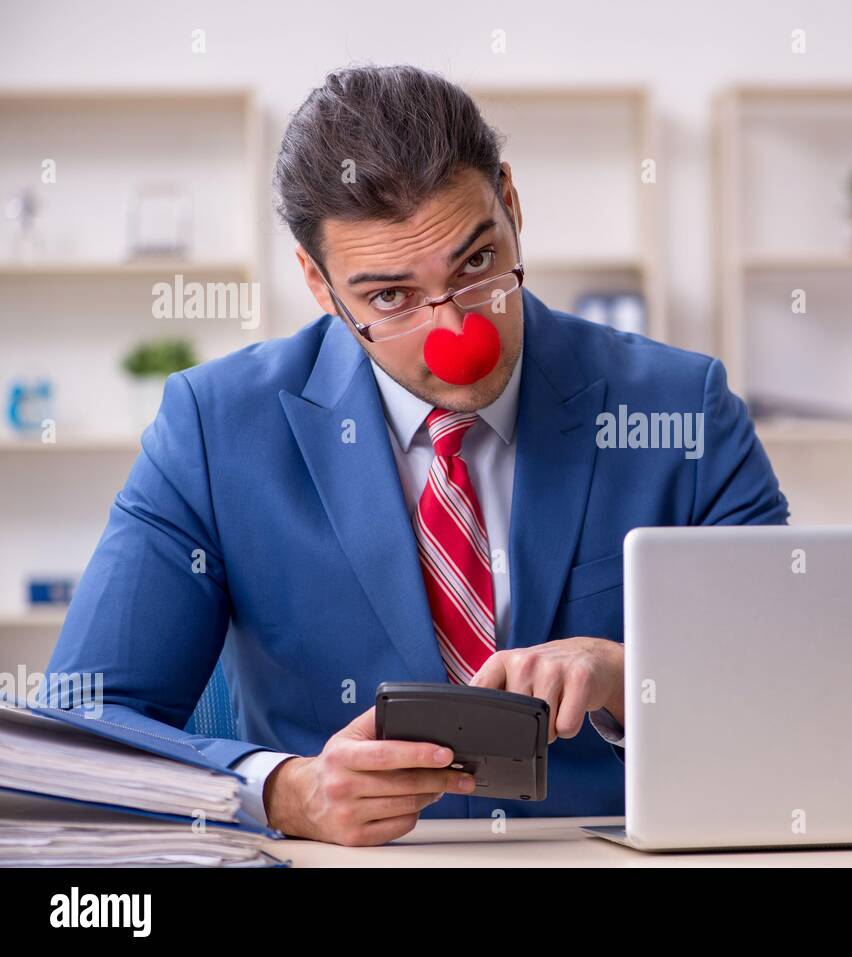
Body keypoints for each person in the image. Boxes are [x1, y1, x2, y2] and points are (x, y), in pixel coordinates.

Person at [45, 65, 788, 846]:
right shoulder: (215, 427)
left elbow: (795, 684)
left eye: (476, 264)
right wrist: (287, 792)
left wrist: (629, 675)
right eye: (391, 297)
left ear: (511, 203)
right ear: (320, 284)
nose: (457, 333)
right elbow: (78, 729)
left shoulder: (682, 407)